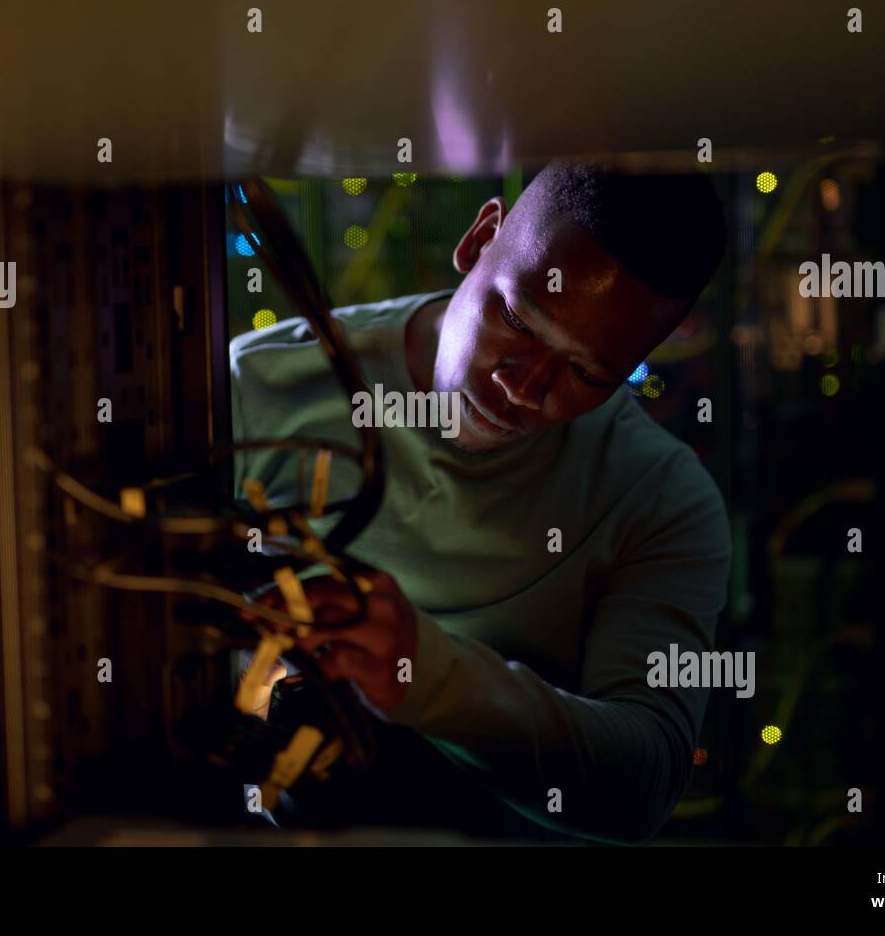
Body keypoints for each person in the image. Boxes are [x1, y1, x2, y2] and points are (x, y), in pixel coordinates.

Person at [230, 157, 731, 844]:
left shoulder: (661, 500)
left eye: (586, 372)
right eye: (521, 321)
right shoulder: (252, 387)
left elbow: (642, 785)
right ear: (477, 240)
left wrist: (427, 677)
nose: (526, 388)